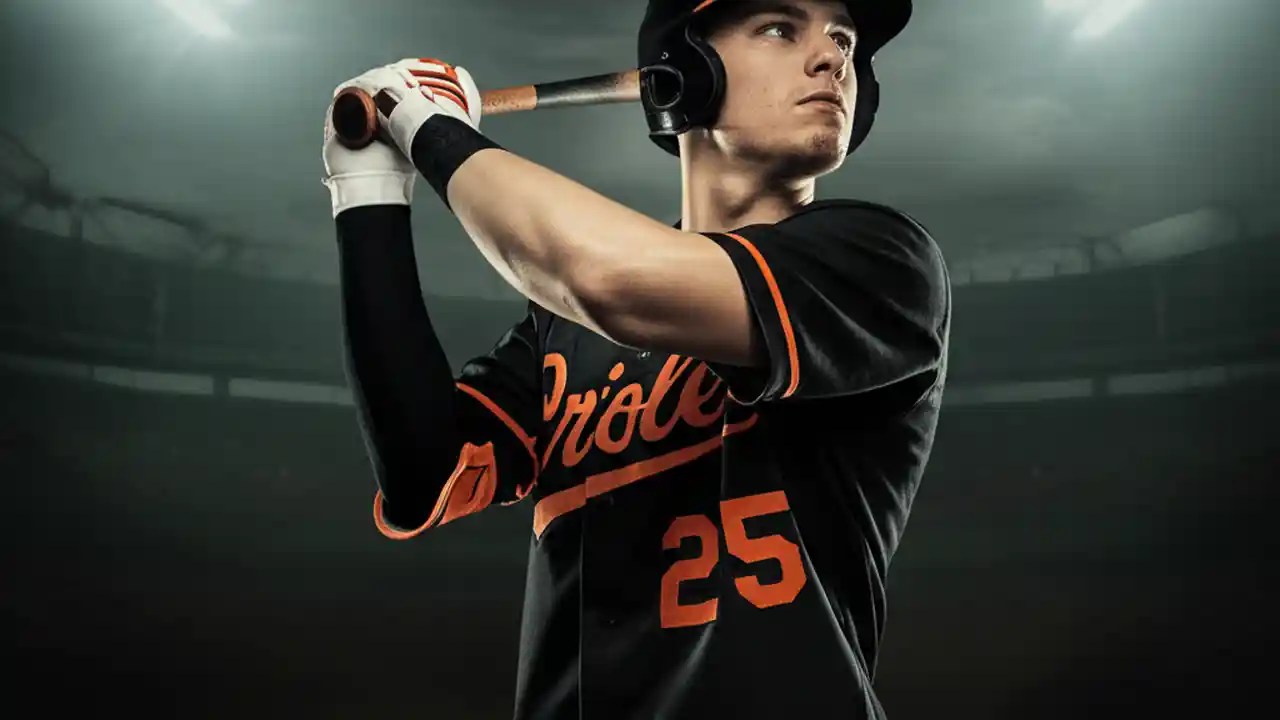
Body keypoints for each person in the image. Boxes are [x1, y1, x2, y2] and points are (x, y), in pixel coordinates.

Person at [320, 0, 948, 717]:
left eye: (843, 37)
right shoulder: (564, 328)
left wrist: (430, 130)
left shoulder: (883, 262)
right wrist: (367, 195)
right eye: (780, 28)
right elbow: (420, 472)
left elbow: (610, 279)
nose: (832, 57)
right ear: (684, 72)